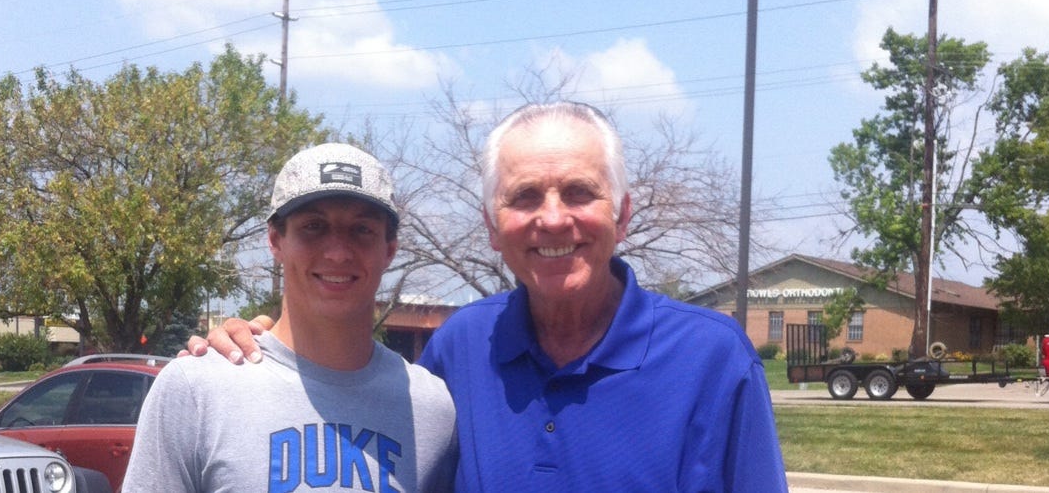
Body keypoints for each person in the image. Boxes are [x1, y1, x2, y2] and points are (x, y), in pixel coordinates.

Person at [189, 103, 789, 492]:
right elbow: (360, 410)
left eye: (579, 192)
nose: (553, 221)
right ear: (492, 225)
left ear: (623, 213)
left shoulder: (713, 359)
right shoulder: (461, 349)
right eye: (525, 196)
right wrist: (253, 349)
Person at [124, 143, 458, 493]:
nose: (337, 252)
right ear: (275, 240)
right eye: (314, 226)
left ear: (389, 249)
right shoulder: (196, 389)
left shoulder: (432, 407)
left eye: (362, 229)